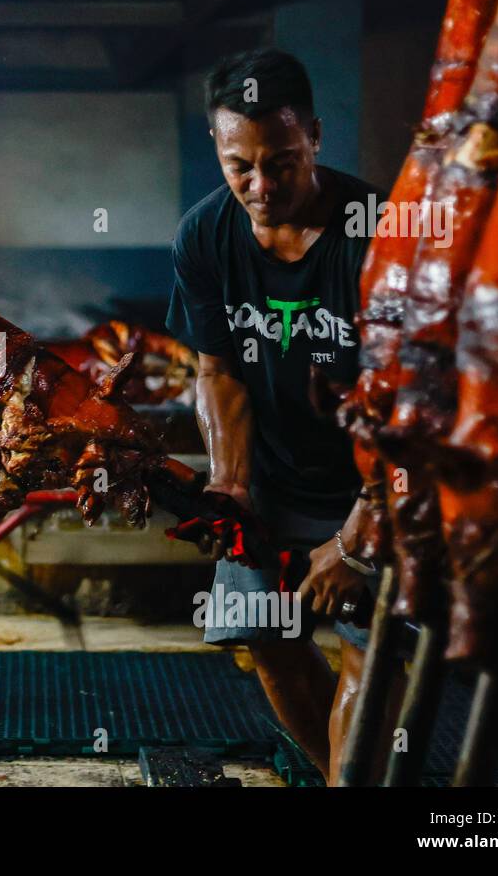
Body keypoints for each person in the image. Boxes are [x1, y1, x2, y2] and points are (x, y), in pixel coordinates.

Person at [166, 47, 400, 784]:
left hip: (379, 484)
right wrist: (231, 484)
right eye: (241, 165)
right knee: (268, 638)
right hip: (274, 474)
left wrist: (360, 541)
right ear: (217, 144)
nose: (261, 186)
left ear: (318, 138)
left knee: (370, 645)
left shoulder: (381, 235)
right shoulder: (205, 235)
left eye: (283, 163)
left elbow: (420, 410)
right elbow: (219, 370)